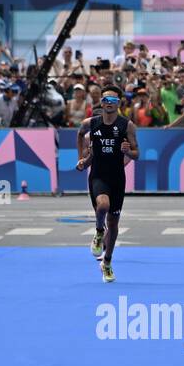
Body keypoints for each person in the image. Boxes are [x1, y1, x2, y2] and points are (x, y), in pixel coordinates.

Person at [76, 84, 137, 284]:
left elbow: (136, 154)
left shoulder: (127, 125)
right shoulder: (91, 124)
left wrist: (127, 151)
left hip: (117, 178)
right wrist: (82, 160)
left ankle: (107, 263)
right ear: (101, 103)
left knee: (114, 222)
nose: (108, 103)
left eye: (113, 100)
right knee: (103, 206)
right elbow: (80, 136)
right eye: (105, 100)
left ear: (119, 104)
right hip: (98, 176)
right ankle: (99, 232)